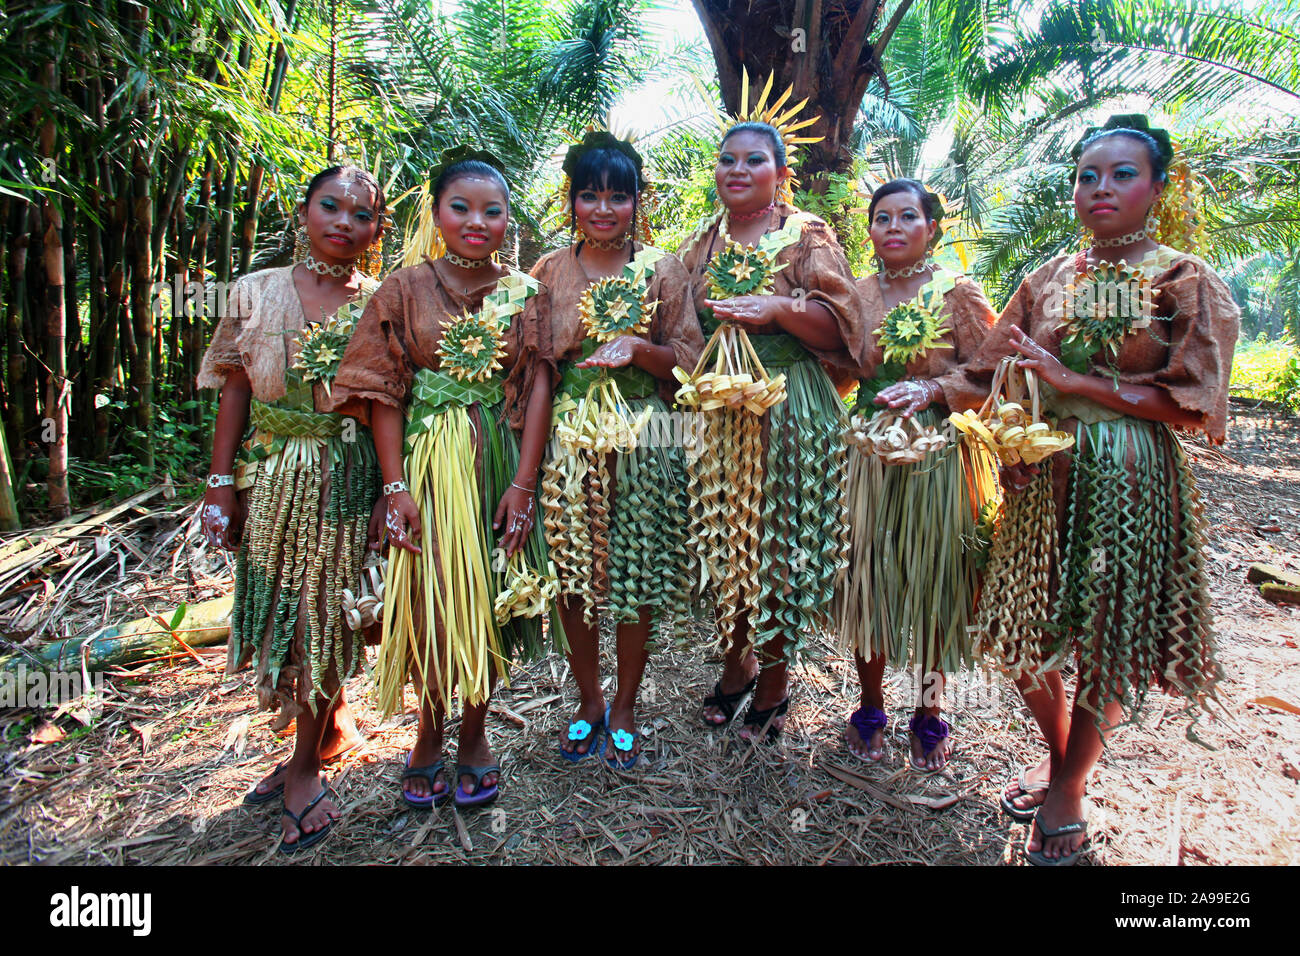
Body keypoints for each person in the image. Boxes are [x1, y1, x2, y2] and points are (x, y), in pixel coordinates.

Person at [972, 115, 1239, 864]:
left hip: (1126, 471)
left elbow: (1192, 403)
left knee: (1109, 631)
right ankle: (1063, 760)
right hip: (1042, 468)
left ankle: (1067, 788)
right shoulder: (1050, 276)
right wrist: (1008, 440)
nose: (1101, 189)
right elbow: (1001, 371)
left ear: (1157, 186)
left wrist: (1077, 382)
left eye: (1122, 174)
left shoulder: (1183, 277)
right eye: (1088, 175)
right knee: (1018, 628)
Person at [327, 148, 556, 809]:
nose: (476, 221)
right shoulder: (403, 288)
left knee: (487, 590)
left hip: (495, 461)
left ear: (509, 219)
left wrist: (522, 483)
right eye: (461, 207)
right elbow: (383, 392)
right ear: (436, 214)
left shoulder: (525, 292)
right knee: (430, 594)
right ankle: (428, 731)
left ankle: (477, 732)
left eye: (493, 210)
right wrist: (395, 486)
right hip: (427, 466)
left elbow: (537, 382)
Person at [198, 164, 387, 853]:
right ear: (303, 210)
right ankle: (326, 731)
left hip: (347, 475)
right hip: (274, 475)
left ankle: (306, 768)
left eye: (360, 214)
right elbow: (235, 389)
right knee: (282, 609)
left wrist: (390, 493)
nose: (344, 222)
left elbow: (386, 406)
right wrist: (220, 485)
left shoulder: (381, 300)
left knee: (326, 615)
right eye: (330, 206)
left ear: (377, 230)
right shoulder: (256, 292)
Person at [677, 85, 867, 742]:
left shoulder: (806, 235)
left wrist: (779, 308)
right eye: (727, 159)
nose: (737, 170)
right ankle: (737, 663)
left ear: (781, 174)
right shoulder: (700, 243)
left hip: (790, 406)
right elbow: (680, 329)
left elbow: (845, 330)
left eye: (754, 160)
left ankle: (778, 679)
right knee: (728, 543)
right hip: (719, 410)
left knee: (782, 548)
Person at [532, 130, 704, 768]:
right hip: (569, 440)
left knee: (634, 576)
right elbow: (539, 365)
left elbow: (688, 358)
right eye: (589, 195)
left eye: (618, 196)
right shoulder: (549, 271)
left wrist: (639, 349)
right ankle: (588, 698)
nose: (603, 209)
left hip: (646, 436)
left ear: (639, 200)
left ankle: (627, 702)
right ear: (570, 200)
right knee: (574, 576)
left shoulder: (662, 268)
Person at [837, 179, 998, 770]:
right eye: (882, 218)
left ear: (933, 227)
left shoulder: (958, 294)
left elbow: (989, 371)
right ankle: (871, 705)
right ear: (871, 230)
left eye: (908, 216)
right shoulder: (855, 296)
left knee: (937, 583)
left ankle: (929, 711)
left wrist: (935, 386)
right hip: (870, 454)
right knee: (870, 578)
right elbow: (835, 365)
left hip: (940, 454)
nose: (894, 227)